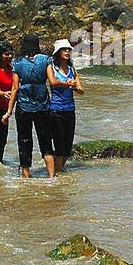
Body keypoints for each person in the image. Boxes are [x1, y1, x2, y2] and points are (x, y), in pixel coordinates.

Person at [5, 33, 55, 179]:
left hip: (24, 106)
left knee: (24, 141)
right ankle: (51, 176)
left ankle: (26, 176)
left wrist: (9, 111)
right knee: (46, 141)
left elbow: (14, 89)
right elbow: (51, 81)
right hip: (43, 105)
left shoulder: (17, 63)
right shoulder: (46, 60)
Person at [48, 38, 83, 174]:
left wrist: (74, 87)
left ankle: (58, 172)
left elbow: (81, 90)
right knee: (59, 146)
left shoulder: (72, 69)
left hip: (70, 110)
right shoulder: (52, 68)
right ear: (58, 52)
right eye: (64, 49)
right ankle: (56, 174)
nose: (67, 51)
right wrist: (67, 84)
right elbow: (53, 82)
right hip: (55, 110)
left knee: (67, 148)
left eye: (69, 49)